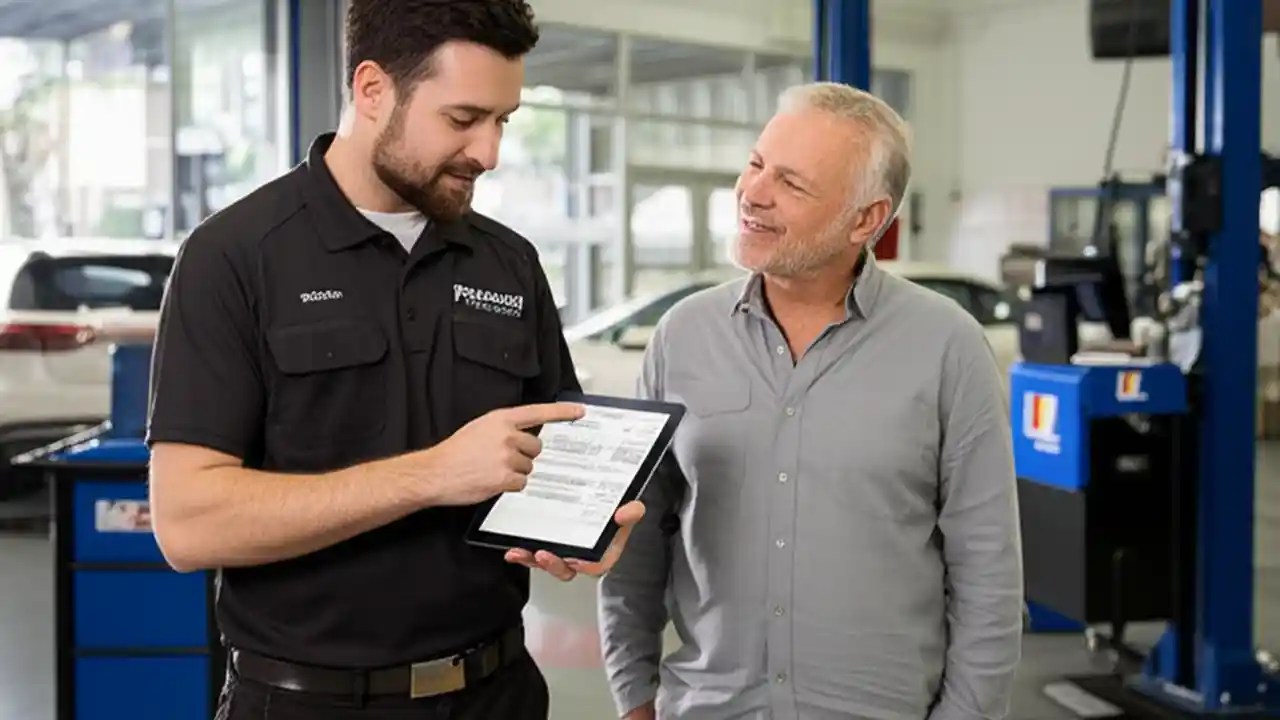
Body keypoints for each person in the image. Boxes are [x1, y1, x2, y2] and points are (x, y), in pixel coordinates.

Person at [145, 1, 642, 718]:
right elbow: (189, 525)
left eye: (504, 120)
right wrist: (432, 474)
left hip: (496, 695)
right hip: (305, 701)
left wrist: (580, 523)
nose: (489, 152)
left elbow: (549, 448)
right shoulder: (236, 257)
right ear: (373, 89)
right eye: (463, 119)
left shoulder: (509, 263)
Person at [598, 82, 1024, 720]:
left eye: (792, 184)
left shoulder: (947, 346)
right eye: (755, 163)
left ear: (865, 220)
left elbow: (988, 570)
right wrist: (633, 693)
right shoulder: (682, 336)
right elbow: (638, 538)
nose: (754, 193)